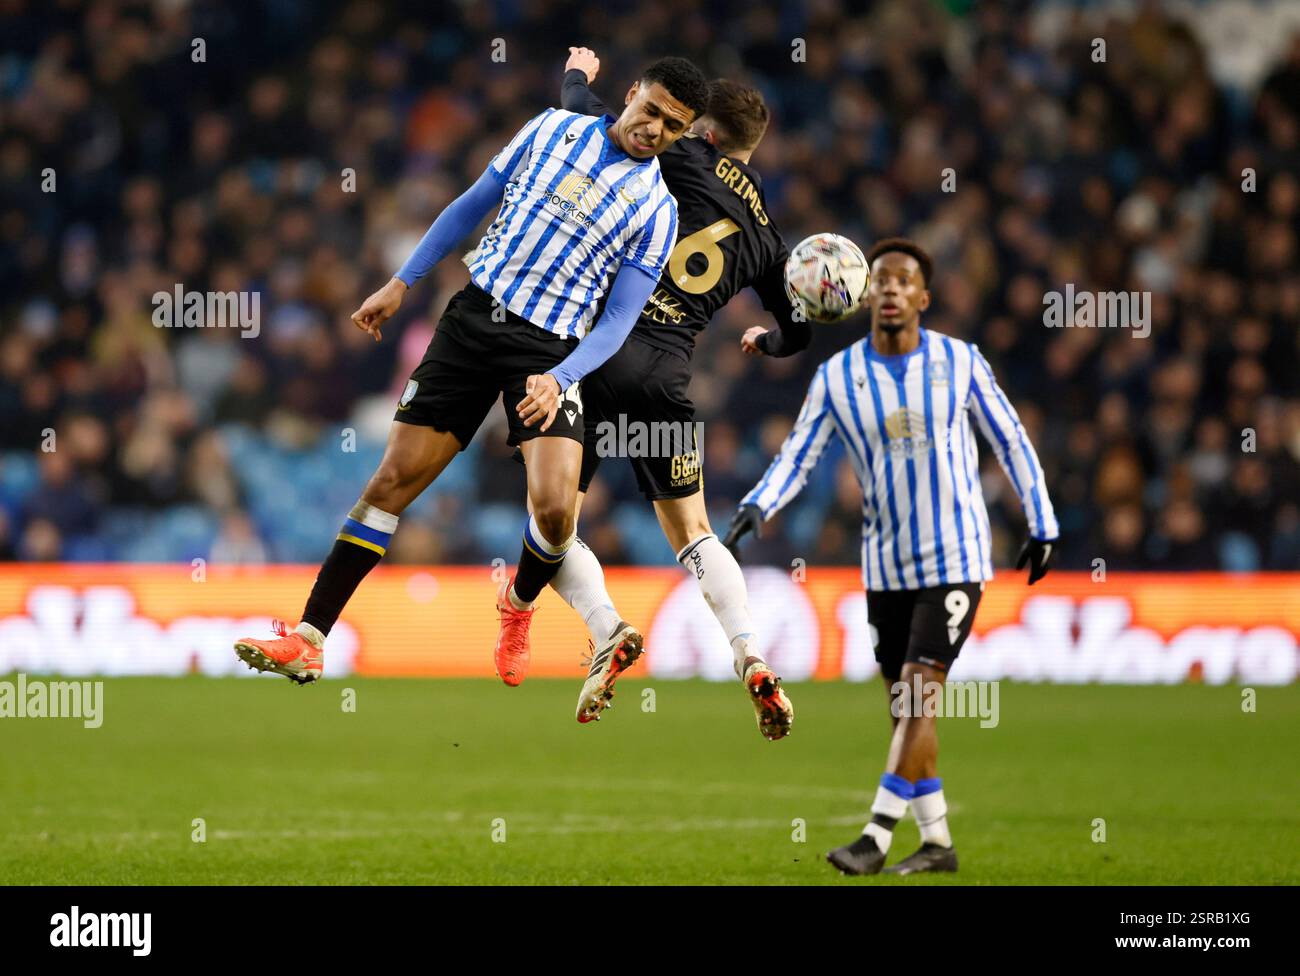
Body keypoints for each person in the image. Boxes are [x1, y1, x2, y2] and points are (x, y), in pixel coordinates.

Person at [233, 57, 709, 687]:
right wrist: (404, 281)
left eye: (673, 128)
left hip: (548, 352)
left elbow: (619, 318)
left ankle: (517, 605)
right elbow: (471, 206)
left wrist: (562, 376)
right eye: (651, 111)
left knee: (556, 509)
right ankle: (312, 637)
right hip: (472, 323)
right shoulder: (549, 130)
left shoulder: (658, 211)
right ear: (630, 95)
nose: (655, 130)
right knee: (391, 481)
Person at [724, 237, 1059, 874]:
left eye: (905, 281)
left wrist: (1042, 521)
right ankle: (938, 844)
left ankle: (875, 837)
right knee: (905, 710)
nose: (892, 289)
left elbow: (1010, 440)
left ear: (924, 298)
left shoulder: (960, 362)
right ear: (861, 293)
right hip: (885, 565)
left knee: (917, 695)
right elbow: (800, 454)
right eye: (881, 280)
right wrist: (758, 506)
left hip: (956, 557)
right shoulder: (838, 376)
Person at [530, 47, 810, 737]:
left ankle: (605, 629)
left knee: (552, 518)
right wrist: (766, 344)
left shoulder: (677, 157)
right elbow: (798, 330)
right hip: (665, 378)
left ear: (704, 132)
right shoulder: (767, 236)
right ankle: (748, 653)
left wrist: (576, 75)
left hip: (596, 351)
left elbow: (589, 117)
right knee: (693, 532)